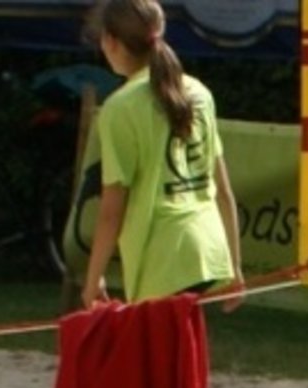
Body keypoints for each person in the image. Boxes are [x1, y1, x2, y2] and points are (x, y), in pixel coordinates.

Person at [79, 0, 243, 310]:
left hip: (162, 259)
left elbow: (112, 209)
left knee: (153, 358)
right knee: (176, 355)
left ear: (110, 41)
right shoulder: (199, 92)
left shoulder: (120, 107)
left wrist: (92, 282)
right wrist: (235, 267)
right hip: (207, 250)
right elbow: (223, 190)